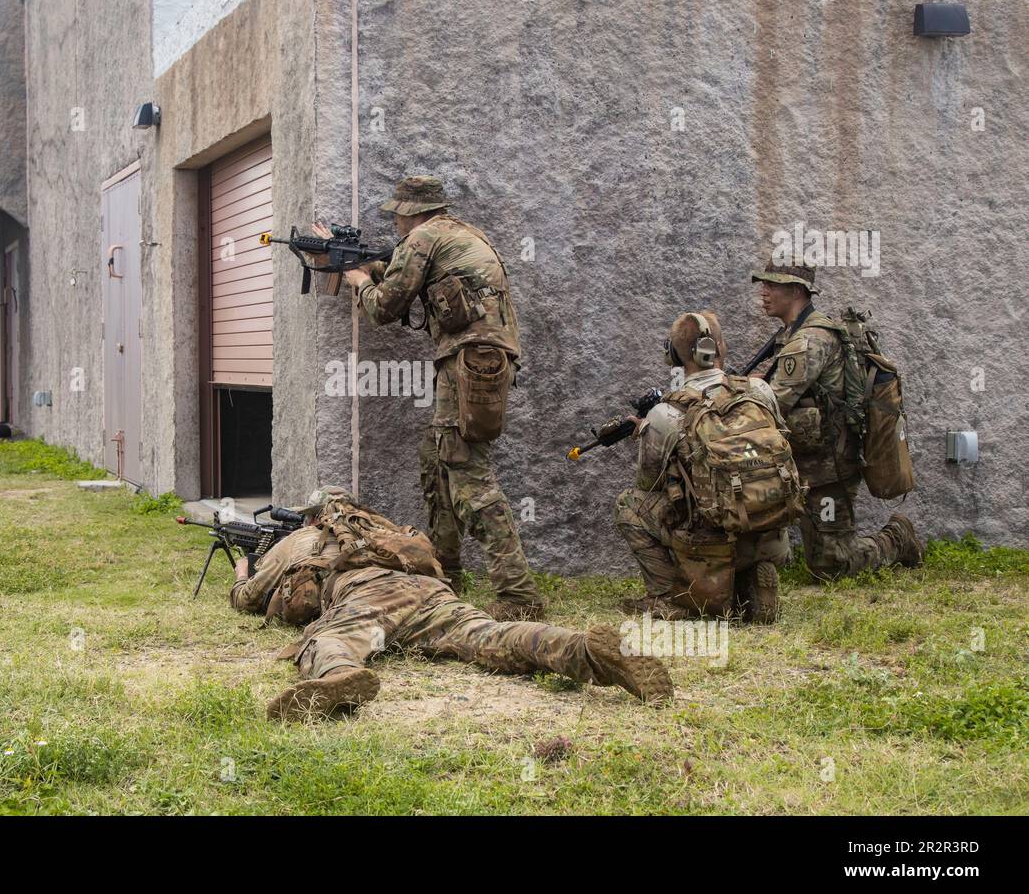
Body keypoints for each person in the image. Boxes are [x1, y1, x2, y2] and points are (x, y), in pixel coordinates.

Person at [307, 176, 544, 620]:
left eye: (397, 214)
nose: (395, 222)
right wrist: (354, 264)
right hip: (475, 360)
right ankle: (445, 573)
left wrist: (356, 277)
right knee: (436, 463)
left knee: (467, 472)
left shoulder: (422, 237)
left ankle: (519, 596)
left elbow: (384, 307)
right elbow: (402, 277)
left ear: (410, 212)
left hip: (471, 362)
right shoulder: (455, 233)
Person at [231, 487, 673, 722]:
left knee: (331, 641)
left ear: (312, 517)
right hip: (430, 594)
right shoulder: (380, 530)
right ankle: (585, 649)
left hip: (367, 595)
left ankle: (339, 679)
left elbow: (251, 599)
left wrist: (241, 574)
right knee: (492, 637)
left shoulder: (306, 538)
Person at [615, 311, 796, 622]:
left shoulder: (665, 413)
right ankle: (750, 576)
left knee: (628, 505)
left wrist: (647, 434)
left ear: (673, 355)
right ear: (720, 348)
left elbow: (648, 483)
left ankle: (668, 597)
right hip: (768, 530)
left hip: (711, 543)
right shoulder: (758, 391)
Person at [751, 262, 922, 577]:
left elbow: (773, 402)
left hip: (827, 468)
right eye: (763, 284)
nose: (764, 291)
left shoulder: (811, 339)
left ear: (796, 291)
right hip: (797, 462)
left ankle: (898, 539)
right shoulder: (789, 335)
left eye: (772, 285)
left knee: (832, 566)